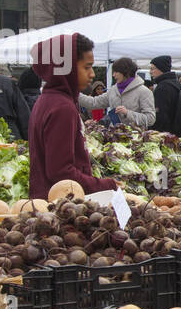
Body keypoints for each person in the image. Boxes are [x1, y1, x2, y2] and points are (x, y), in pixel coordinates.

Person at [27, 33, 119, 200]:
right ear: (66, 67)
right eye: (87, 67)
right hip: (61, 205)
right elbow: (61, 172)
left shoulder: (48, 100)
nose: (92, 74)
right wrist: (105, 185)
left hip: (48, 200)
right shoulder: (62, 107)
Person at [77, 58, 156, 128]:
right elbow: (94, 102)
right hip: (114, 139)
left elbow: (150, 119)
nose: (113, 75)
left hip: (136, 140)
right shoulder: (113, 90)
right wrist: (75, 94)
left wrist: (128, 113)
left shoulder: (144, 92)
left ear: (126, 72)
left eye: (116, 72)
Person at [150, 55, 181, 134]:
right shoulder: (176, 84)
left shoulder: (163, 87)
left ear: (161, 69)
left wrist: (155, 133)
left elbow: (161, 115)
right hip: (177, 131)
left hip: (166, 134)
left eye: (152, 68)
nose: (150, 72)